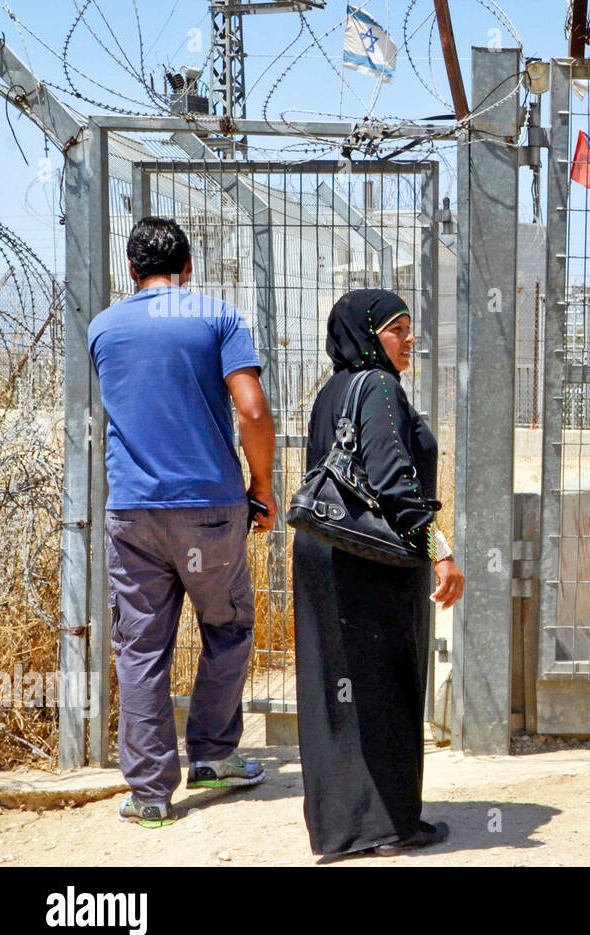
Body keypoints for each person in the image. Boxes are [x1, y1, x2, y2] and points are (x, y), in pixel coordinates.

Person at [89, 217, 277, 828]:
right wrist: (263, 485)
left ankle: (149, 794)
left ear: (131, 271)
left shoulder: (102, 328)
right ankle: (214, 757)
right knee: (226, 627)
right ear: (188, 267)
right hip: (209, 510)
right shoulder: (218, 316)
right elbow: (250, 408)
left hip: (133, 509)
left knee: (141, 647)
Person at [293, 289, 464, 861]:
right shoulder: (381, 387)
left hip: (323, 554)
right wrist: (438, 548)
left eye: (410, 327)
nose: (409, 338)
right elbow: (394, 482)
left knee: (338, 693)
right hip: (375, 561)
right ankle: (389, 825)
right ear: (369, 337)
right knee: (387, 683)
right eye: (397, 329)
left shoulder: (330, 392)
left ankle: (346, 828)